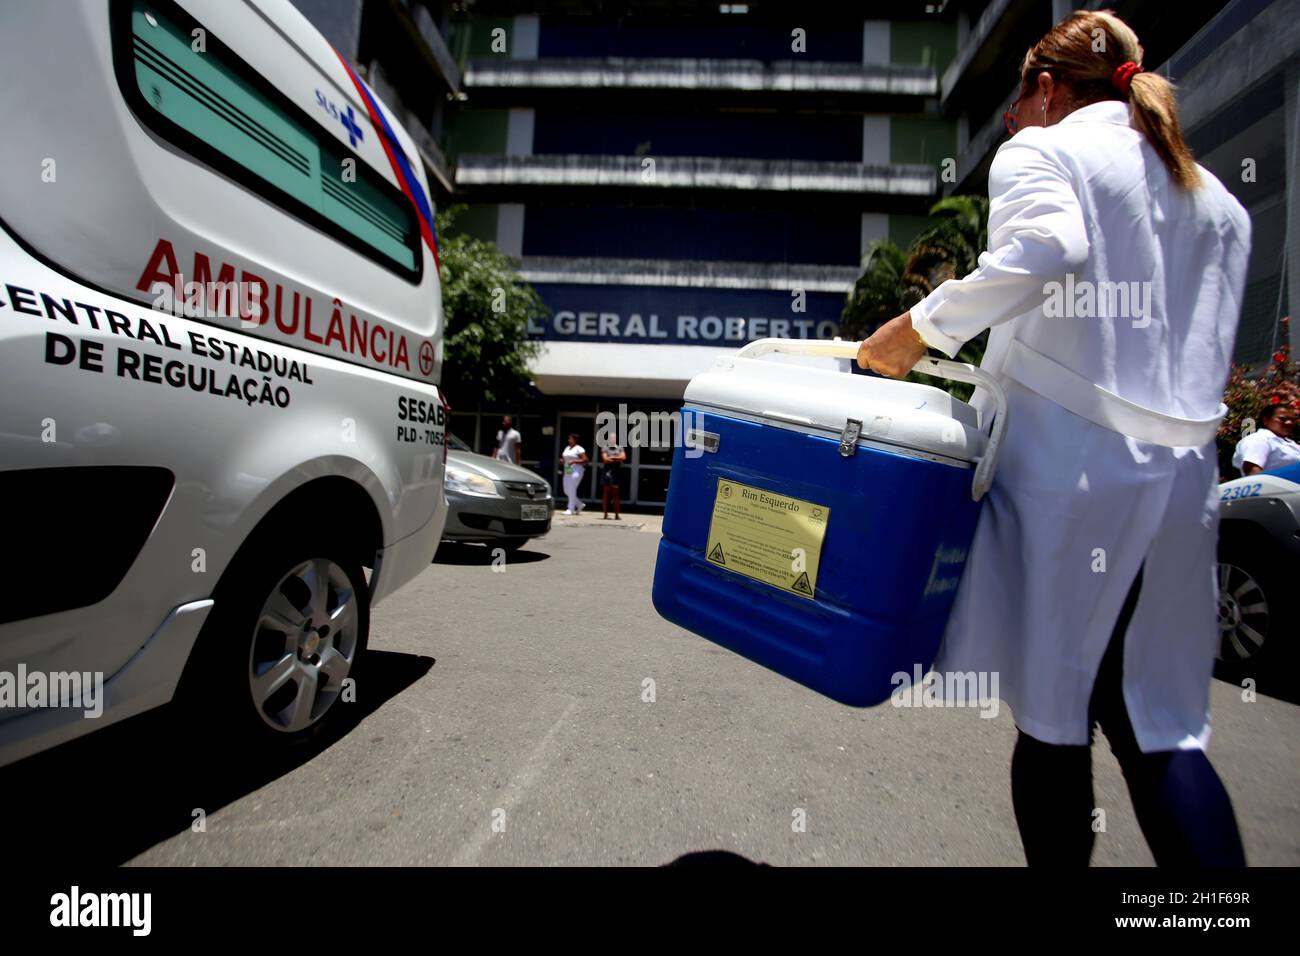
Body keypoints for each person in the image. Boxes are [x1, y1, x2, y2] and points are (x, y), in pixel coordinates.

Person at [857, 10, 1250, 867]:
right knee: (1157, 722)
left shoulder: (1045, 150)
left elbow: (1048, 246)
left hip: (1074, 485)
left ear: (1045, 86)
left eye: (1017, 97)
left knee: (1054, 716)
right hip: (1182, 492)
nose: (1009, 120)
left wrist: (915, 328)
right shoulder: (1217, 201)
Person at [1232, 404, 1300, 475]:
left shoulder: (1291, 443)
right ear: (1265, 420)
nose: (1289, 423)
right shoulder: (1259, 439)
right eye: (1282, 419)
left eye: (1293, 420)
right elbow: (1252, 470)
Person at [560, 433, 588, 515]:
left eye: (570, 439)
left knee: (572, 489)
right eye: (569, 439)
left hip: (576, 471)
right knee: (566, 491)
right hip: (567, 470)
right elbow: (566, 458)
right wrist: (563, 461)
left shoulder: (579, 449)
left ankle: (570, 509)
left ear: (575, 440)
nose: (569, 440)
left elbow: (585, 460)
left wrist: (574, 461)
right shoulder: (567, 448)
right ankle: (579, 504)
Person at [600, 442, 627, 519]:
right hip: (607, 472)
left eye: (613, 438)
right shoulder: (605, 448)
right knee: (606, 493)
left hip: (616, 472)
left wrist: (612, 457)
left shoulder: (620, 448)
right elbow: (605, 459)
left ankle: (617, 515)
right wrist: (617, 458)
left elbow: (623, 457)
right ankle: (605, 514)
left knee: (616, 494)